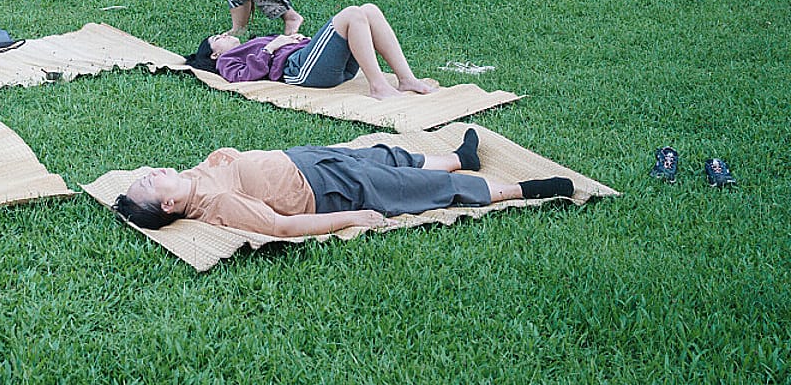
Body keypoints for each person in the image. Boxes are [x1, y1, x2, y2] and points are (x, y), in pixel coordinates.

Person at [114, 129, 574, 236]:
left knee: (381, 155)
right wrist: (352, 217)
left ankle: (457, 158)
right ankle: (526, 190)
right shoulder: (214, 207)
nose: (150, 174)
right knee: (404, 187)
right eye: (149, 185)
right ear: (170, 206)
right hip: (323, 191)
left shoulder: (193, 178)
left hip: (306, 161)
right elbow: (281, 227)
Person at [186, 3, 437, 99]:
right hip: (300, 71)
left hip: (317, 65)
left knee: (369, 10)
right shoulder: (226, 62)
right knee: (351, 14)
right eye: (217, 39)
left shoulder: (251, 44)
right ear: (214, 54)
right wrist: (272, 47)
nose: (224, 35)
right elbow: (241, 77)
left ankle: (406, 79)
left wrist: (296, 40)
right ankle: (378, 86)